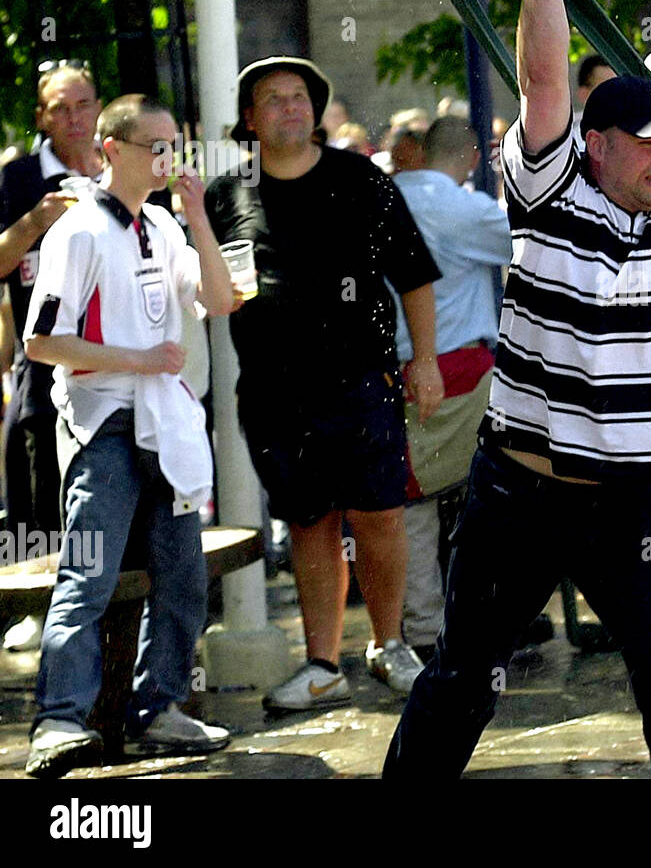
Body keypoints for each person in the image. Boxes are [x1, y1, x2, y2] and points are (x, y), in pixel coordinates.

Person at [385, 0, 651, 781]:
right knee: (465, 676)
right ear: (599, 147)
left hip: (629, 493)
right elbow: (545, 71)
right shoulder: (548, 186)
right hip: (519, 489)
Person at [205, 56, 444, 713]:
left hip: (362, 381)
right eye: (274, 99)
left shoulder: (360, 179)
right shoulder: (227, 194)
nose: (291, 107)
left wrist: (424, 360)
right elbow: (218, 289)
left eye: (300, 97)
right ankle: (320, 663)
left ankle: (390, 644)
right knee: (310, 524)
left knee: (381, 515)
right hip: (275, 392)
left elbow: (414, 275)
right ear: (250, 120)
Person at [23, 95, 233, 778]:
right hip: (104, 421)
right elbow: (40, 340)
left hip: (162, 424)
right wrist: (137, 360)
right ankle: (58, 718)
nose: (168, 160)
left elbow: (222, 300)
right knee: (88, 574)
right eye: (155, 147)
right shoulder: (79, 232)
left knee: (183, 575)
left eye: (175, 147)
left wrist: (199, 218)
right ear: (113, 149)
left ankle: (159, 706)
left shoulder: (165, 225)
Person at [390, 117, 512, 661]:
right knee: (482, 498)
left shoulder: (383, 196)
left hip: (393, 371)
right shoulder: (466, 208)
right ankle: (480, 618)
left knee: (412, 504)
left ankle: (423, 626)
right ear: (469, 156)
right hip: (458, 367)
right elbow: (530, 244)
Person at [0, 62, 104, 652]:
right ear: (42, 117)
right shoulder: (18, 178)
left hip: (116, 360)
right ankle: (42, 608)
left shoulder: (123, 169)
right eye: (59, 108)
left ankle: (118, 606)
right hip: (44, 366)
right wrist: (35, 221)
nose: (73, 118)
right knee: (43, 481)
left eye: (82, 105)